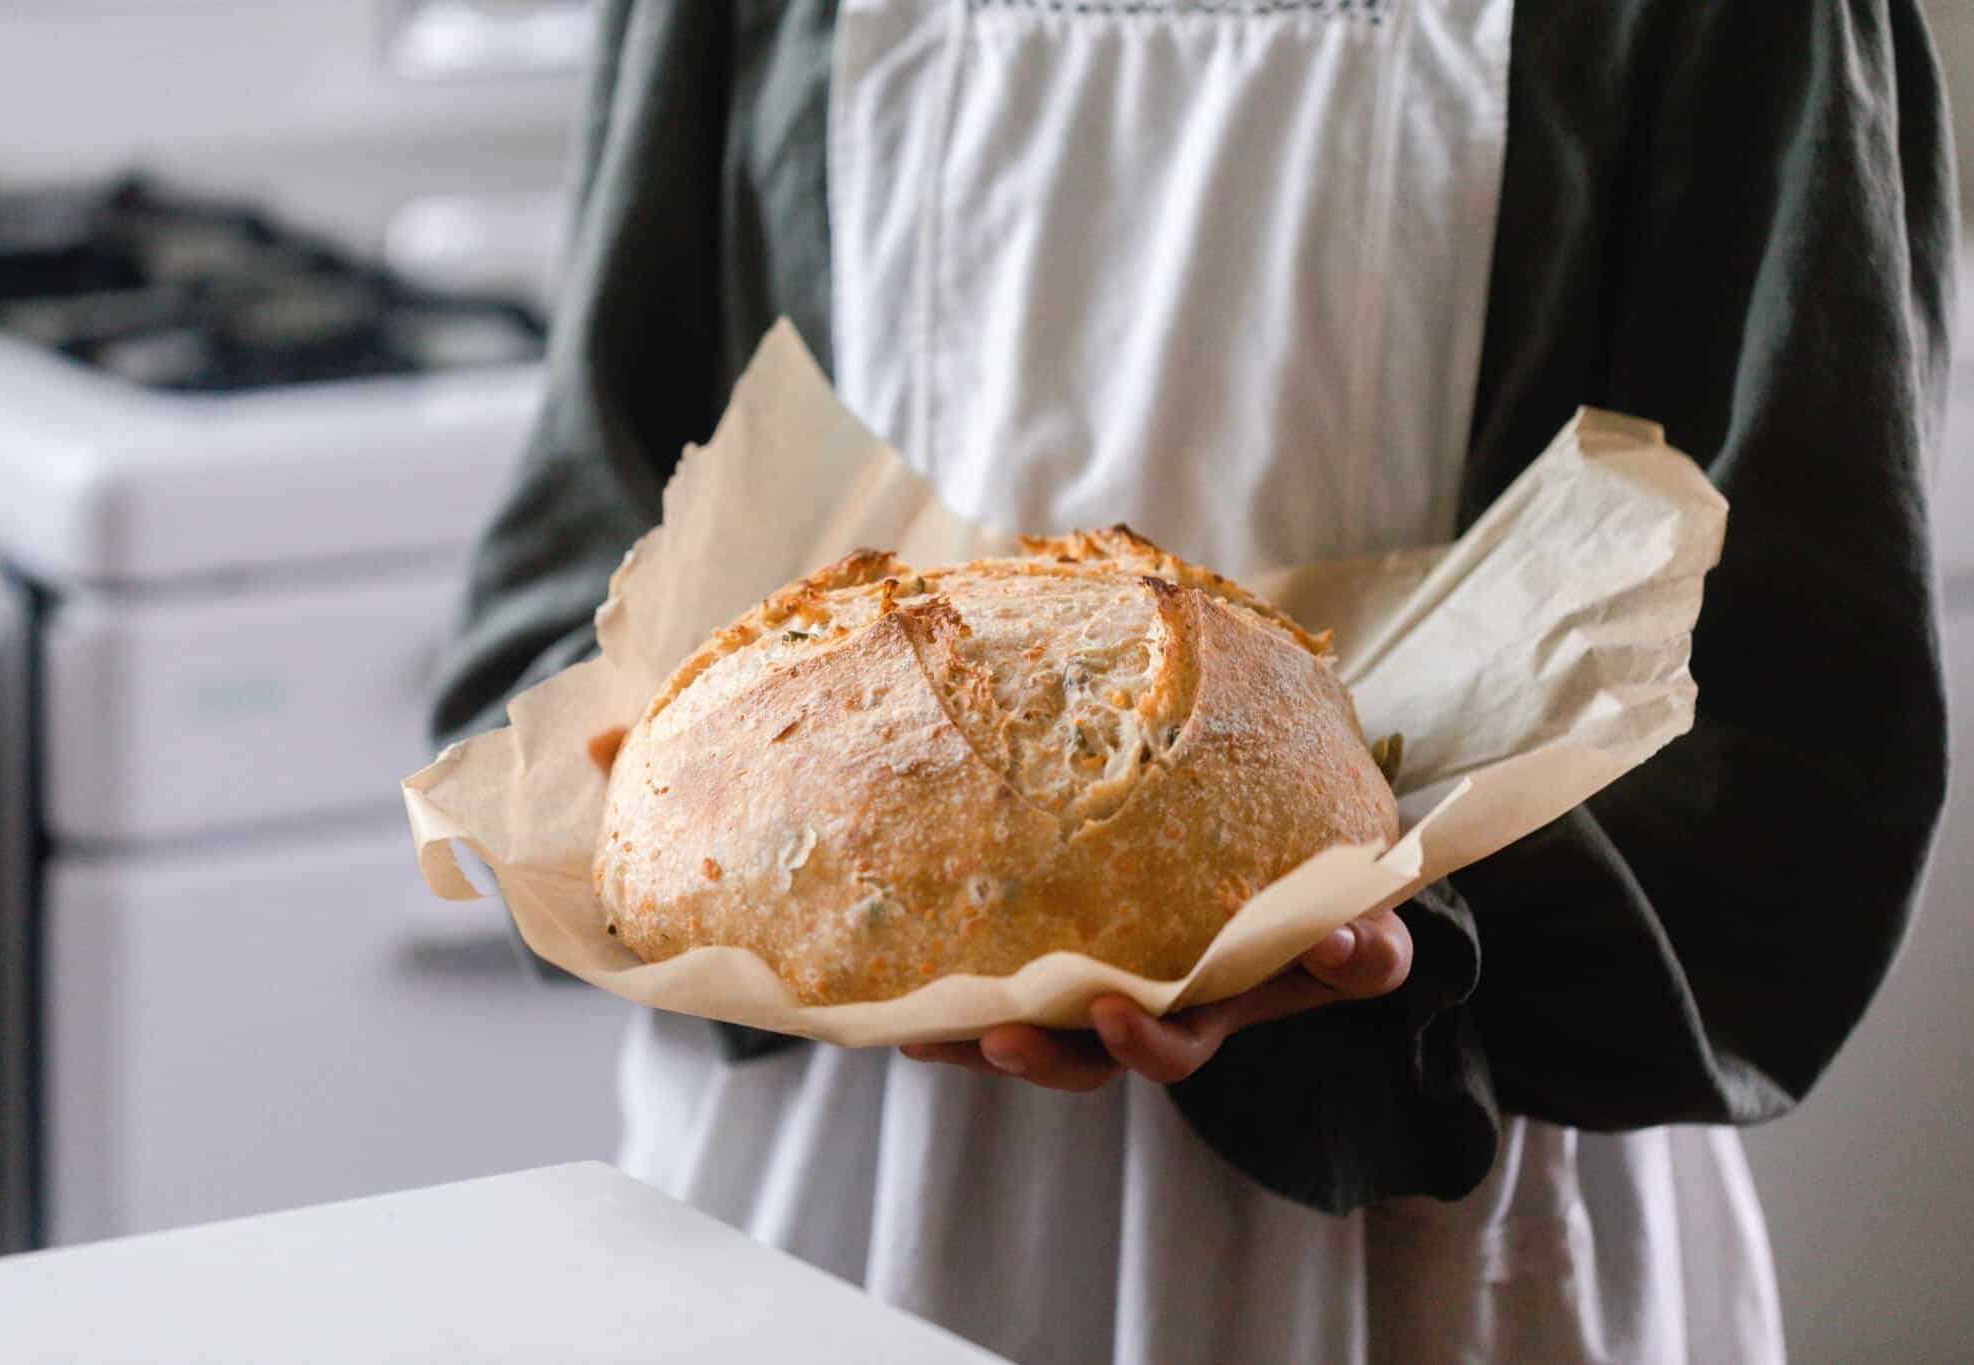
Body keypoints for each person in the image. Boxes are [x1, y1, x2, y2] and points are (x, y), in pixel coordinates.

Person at [430, 2, 1957, 1361]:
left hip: (1417, 1246)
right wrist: (726, 841)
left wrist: (1408, 923)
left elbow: (1799, 760)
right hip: (814, 1217)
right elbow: (577, 603)